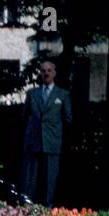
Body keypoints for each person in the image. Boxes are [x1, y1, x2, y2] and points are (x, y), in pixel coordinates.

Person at [21, 59, 72, 206]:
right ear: (40, 73)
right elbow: (24, 116)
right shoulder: (32, 94)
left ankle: (49, 208)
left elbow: (68, 119)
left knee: (51, 179)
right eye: (43, 71)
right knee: (30, 179)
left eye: (49, 70)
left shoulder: (62, 95)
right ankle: (27, 208)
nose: (46, 73)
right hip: (33, 142)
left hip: (52, 142)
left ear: (54, 73)